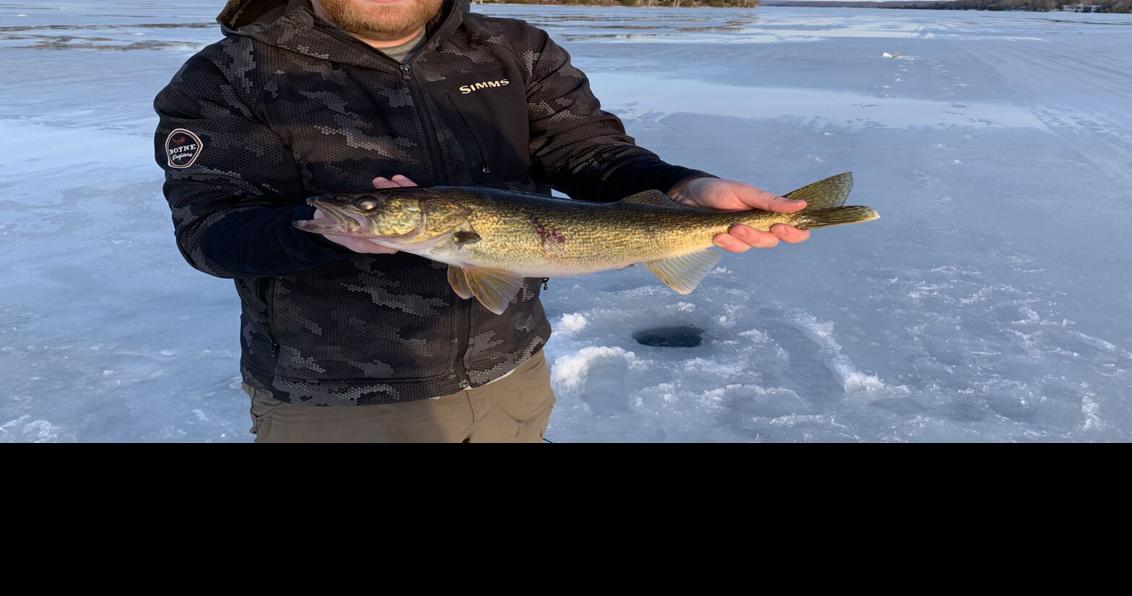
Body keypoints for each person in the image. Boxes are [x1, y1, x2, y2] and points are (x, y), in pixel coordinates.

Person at [155, 0, 812, 442]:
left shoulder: (513, 50)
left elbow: (589, 153)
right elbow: (210, 232)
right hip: (339, 404)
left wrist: (686, 186)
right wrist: (315, 227)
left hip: (511, 378)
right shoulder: (228, 79)